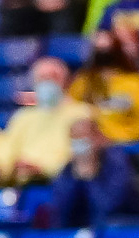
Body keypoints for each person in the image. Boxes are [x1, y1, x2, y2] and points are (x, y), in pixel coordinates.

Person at [38, 117, 139, 230]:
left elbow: (110, 206)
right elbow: (60, 210)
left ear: (97, 137)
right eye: (75, 140)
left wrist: (91, 178)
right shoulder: (69, 168)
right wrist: (76, 179)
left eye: (84, 138)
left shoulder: (117, 160)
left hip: (119, 227)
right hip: (84, 230)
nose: (80, 145)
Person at [0, 58, 92, 186]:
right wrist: (6, 168)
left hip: (59, 185)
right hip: (20, 184)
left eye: (53, 77)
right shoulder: (23, 116)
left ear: (66, 81)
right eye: (43, 77)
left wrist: (43, 168)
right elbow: (8, 151)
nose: (48, 82)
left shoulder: (83, 113)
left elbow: (80, 159)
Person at [68, 31, 139, 144]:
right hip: (92, 143)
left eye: (108, 49)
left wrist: (114, 138)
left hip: (128, 144)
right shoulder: (84, 82)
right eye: (98, 50)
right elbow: (71, 111)